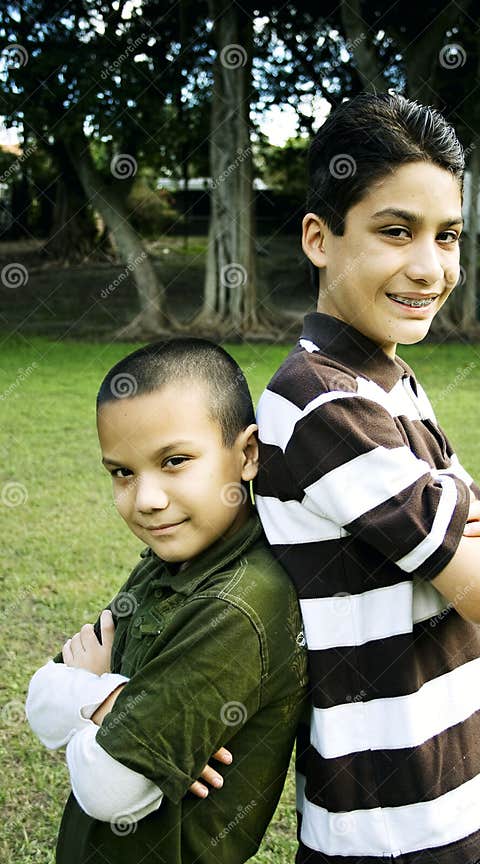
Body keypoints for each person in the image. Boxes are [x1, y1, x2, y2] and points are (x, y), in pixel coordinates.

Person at [255, 92, 480, 864]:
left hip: (478, 794)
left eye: (447, 236)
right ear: (319, 237)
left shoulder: (386, 378)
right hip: (402, 827)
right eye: (395, 231)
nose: (430, 267)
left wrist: (479, 529)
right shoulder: (322, 403)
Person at [26, 338, 308, 864]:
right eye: (122, 472)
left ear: (247, 454)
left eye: (175, 461)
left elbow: (110, 788)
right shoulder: (168, 563)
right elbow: (40, 702)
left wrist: (89, 699)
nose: (147, 501)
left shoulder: (239, 605)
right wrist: (115, 703)